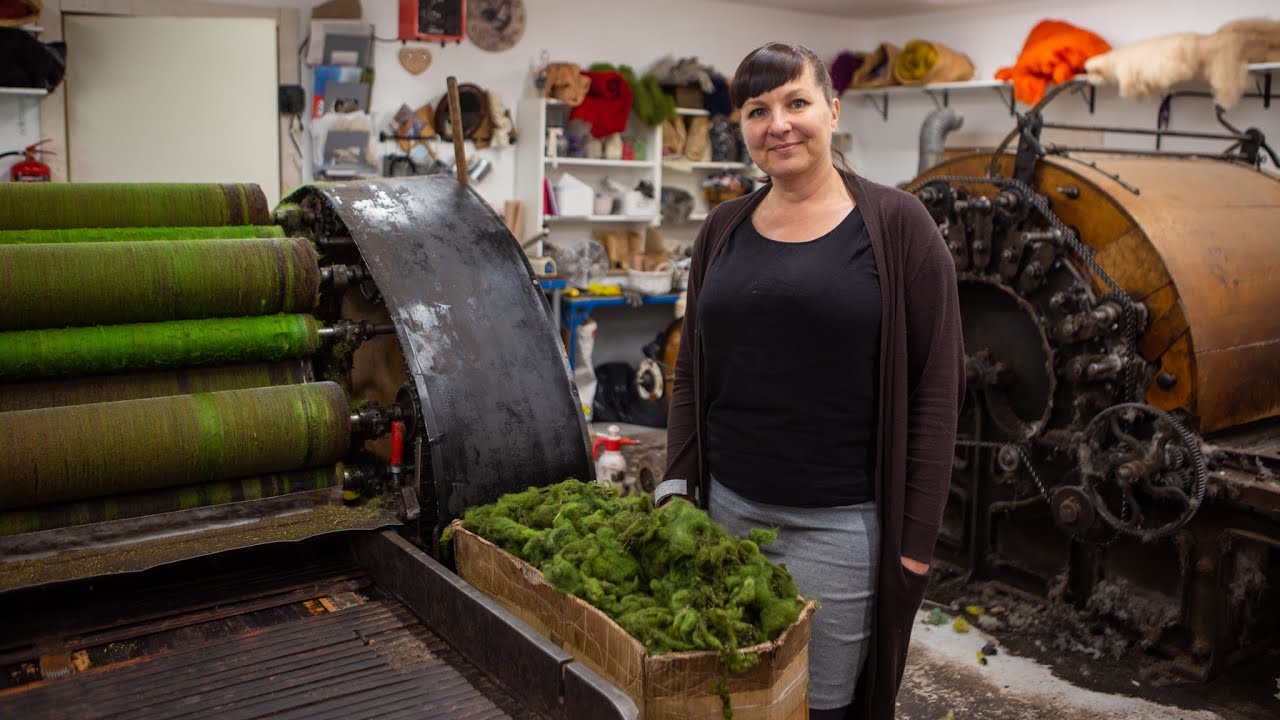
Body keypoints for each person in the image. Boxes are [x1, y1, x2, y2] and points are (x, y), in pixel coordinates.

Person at [655, 42, 964, 719]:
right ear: (742, 127)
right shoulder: (721, 229)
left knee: (819, 707)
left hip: (839, 528)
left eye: (797, 102)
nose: (780, 124)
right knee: (730, 695)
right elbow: (690, 373)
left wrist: (915, 546)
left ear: (832, 109)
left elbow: (938, 394)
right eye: (759, 110)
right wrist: (676, 486)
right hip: (726, 513)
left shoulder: (898, 226)